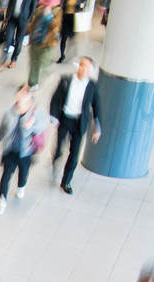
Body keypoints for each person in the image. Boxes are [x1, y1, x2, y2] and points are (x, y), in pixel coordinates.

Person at [49, 56, 100, 194]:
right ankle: (55, 160)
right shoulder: (66, 79)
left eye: (87, 67)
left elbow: (96, 107)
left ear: (91, 71)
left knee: (74, 153)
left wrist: (97, 128)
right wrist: (53, 116)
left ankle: (66, 181)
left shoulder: (92, 86)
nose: (83, 69)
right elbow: (55, 98)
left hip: (79, 123)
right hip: (65, 119)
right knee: (59, 147)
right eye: (82, 65)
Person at [0, 85, 47, 215]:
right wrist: (1, 138)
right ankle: (2, 200)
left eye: (24, 94)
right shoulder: (9, 112)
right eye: (20, 94)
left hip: (26, 150)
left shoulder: (36, 113)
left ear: (30, 98)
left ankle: (21, 186)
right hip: (10, 149)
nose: (20, 97)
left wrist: (30, 126)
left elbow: (42, 127)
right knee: (6, 174)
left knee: (23, 172)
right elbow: (2, 127)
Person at [26, 0, 61, 88]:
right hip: (35, 41)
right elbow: (33, 24)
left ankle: (41, 81)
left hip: (47, 44)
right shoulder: (40, 8)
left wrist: (49, 16)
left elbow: (56, 28)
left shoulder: (58, 11)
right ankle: (32, 84)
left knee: (44, 65)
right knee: (33, 63)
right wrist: (28, 34)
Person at [0, 0, 34, 68]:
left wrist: (28, 20)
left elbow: (33, 7)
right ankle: (3, 60)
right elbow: (10, 3)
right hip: (12, 18)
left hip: (23, 19)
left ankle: (14, 59)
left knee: (18, 40)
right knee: (8, 39)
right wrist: (7, 16)